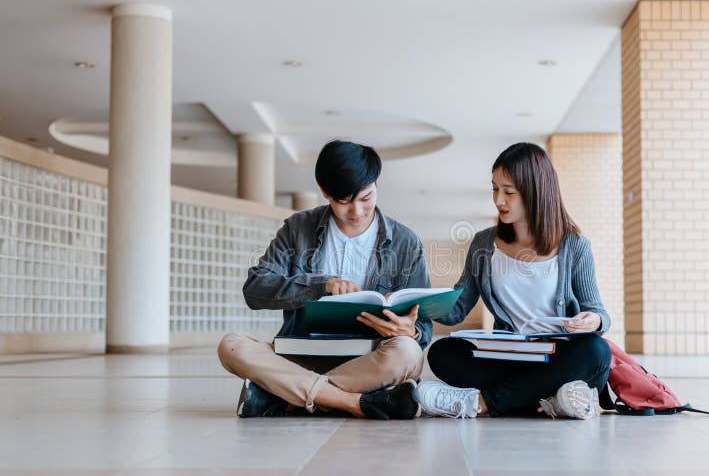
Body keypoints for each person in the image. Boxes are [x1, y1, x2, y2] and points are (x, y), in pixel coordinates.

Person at [218, 140, 432, 420]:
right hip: (301, 356)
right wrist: (319, 285)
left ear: (376, 184)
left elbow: (424, 324)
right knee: (232, 345)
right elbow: (255, 290)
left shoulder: (405, 242)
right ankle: (354, 402)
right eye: (344, 202)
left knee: (408, 353)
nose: (356, 211)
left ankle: (281, 397)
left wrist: (411, 331)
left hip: (369, 359)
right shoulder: (298, 229)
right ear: (324, 192)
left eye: (366, 198)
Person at [414, 142, 611, 419]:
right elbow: (457, 308)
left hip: (558, 355)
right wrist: (417, 305)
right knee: (443, 352)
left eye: (509, 192)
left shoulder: (574, 246)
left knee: (596, 352)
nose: (498, 200)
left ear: (535, 192)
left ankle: (481, 403)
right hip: (509, 355)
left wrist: (593, 320)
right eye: (495, 189)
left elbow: (599, 313)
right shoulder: (484, 244)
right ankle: (548, 398)